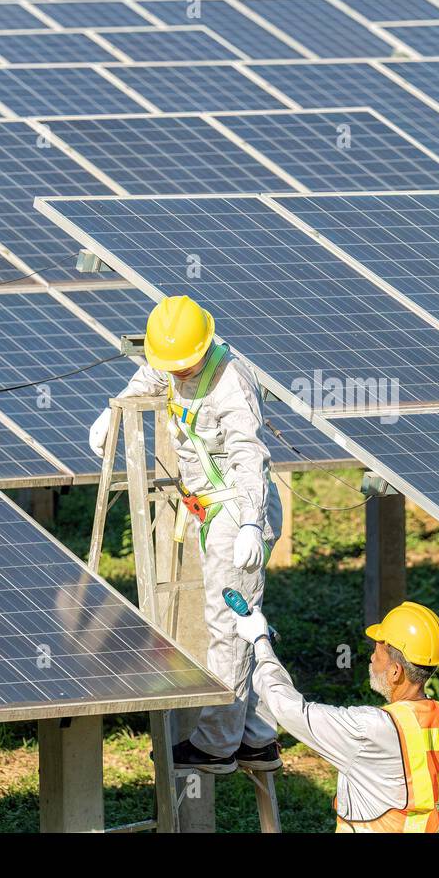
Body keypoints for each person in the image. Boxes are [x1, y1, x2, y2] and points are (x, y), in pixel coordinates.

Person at [89, 295, 282, 775]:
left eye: (184, 364)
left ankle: (216, 745)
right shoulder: (173, 365)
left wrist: (252, 524)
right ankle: (256, 737)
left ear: (206, 346)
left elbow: (249, 458)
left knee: (229, 627)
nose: (177, 372)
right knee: (245, 626)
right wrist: (115, 412)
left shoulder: (231, 383)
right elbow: (152, 376)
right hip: (208, 513)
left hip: (236, 514)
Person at [235, 600, 439, 832]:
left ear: (396, 672)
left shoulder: (371, 729)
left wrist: (260, 643)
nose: (372, 658)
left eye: (378, 652)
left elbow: (289, 710)